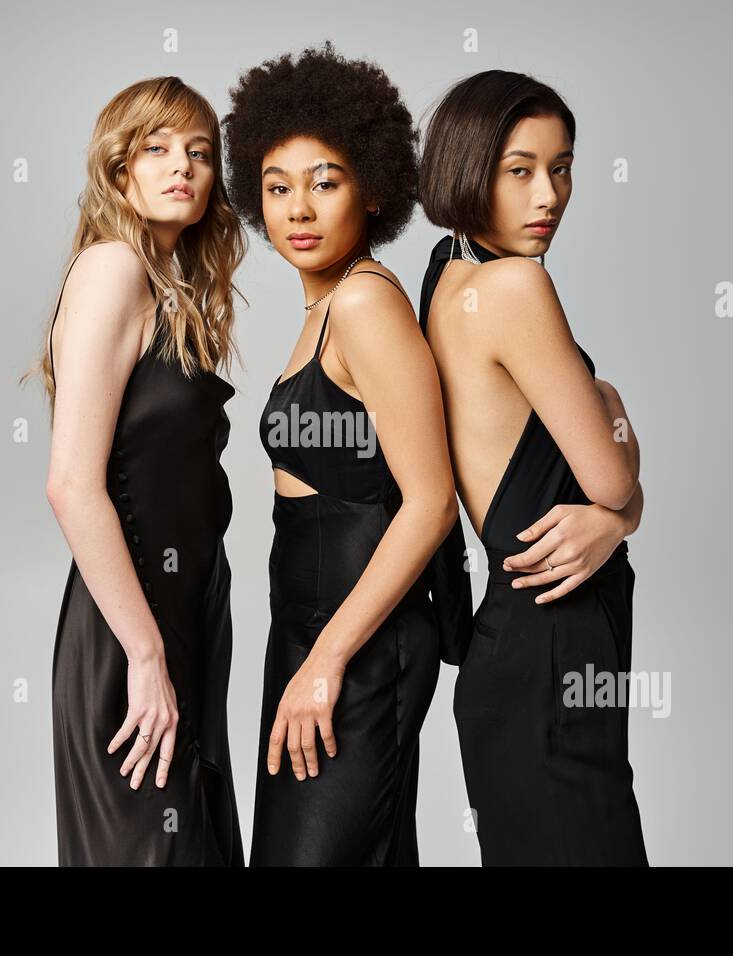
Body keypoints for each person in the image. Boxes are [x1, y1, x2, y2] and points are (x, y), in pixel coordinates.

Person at [222, 41, 470, 865]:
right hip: (306, 633)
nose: (300, 207)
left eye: (325, 182)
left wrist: (329, 659)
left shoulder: (366, 305)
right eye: (278, 187)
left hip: (362, 641)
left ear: (370, 187)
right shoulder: (321, 311)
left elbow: (430, 502)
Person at [418, 69, 649, 865]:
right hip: (556, 643)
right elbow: (615, 479)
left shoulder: (444, 277)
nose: (547, 195)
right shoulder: (515, 285)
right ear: (466, 167)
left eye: (562, 166)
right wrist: (610, 402)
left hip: (516, 649)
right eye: (519, 170)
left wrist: (614, 515)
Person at [25, 76, 247, 865]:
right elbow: (72, 484)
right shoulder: (113, 268)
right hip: (131, 627)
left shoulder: (172, 288)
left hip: (181, 616)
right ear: (120, 169)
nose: (181, 165)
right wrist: (146, 657)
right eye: (156, 149)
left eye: (198, 152)